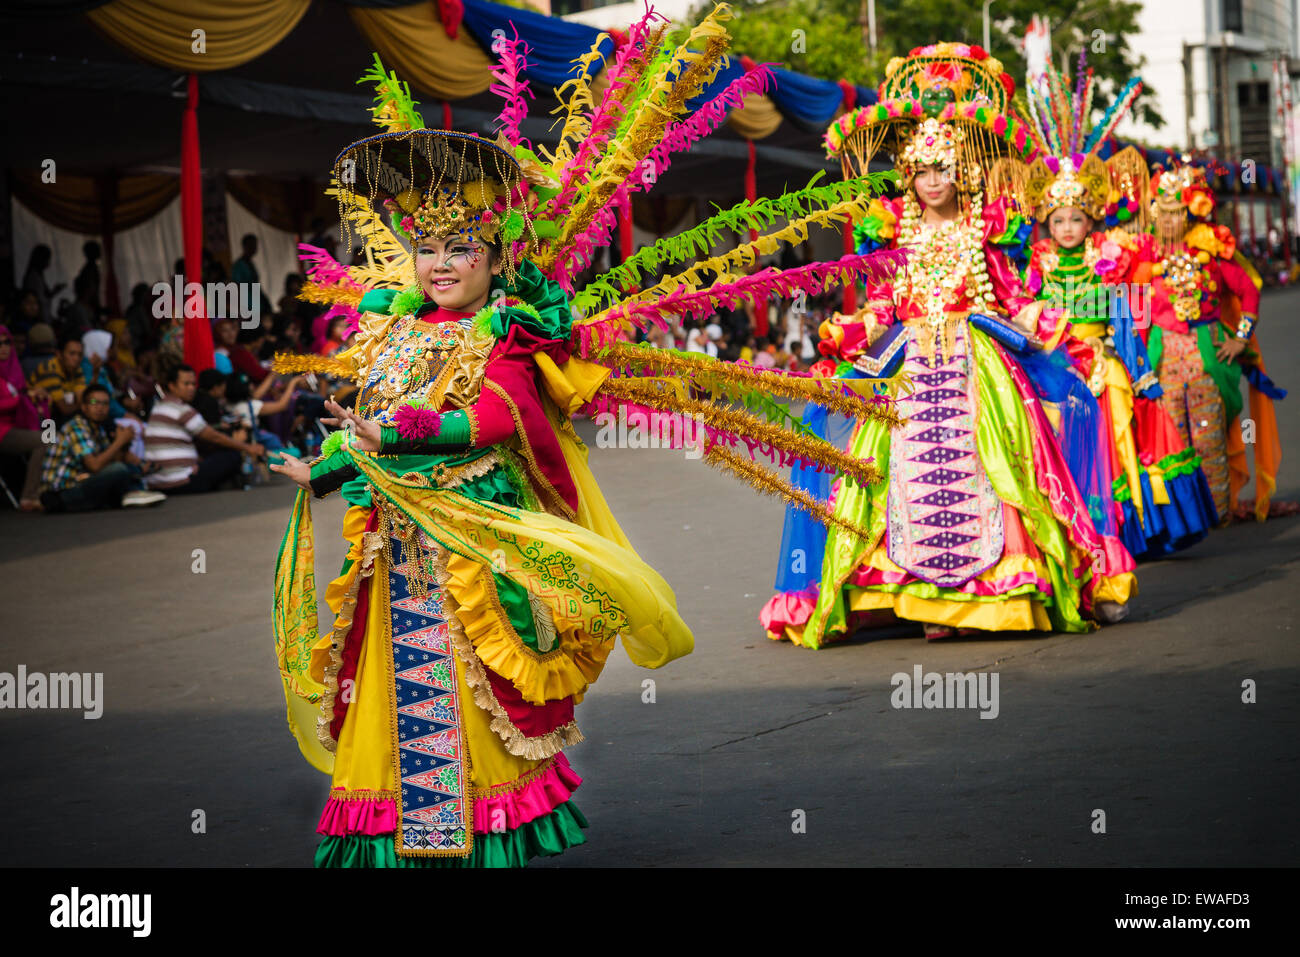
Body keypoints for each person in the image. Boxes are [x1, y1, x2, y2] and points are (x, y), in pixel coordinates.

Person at [270, 27, 890, 867]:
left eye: (461, 249)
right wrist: (324, 468)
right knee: (390, 677)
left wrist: (407, 430)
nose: (441, 262)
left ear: (496, 259)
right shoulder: (392, 333)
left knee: (469, 679)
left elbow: (498, 419)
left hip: (475, 538)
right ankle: (406, 829)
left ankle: (476, 826)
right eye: (428, 248)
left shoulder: (508, 335)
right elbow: (368, 429)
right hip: (394, 543)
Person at [763, 42, 1127, 648]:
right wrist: (862, 326)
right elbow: (886, 300)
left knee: (1000, 470)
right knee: (879, 469)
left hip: (975, 365)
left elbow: (1007, 293)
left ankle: (988, 596)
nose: (933, 181)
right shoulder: (895, 233)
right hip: (908, 366)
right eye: (922, 171)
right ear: (909, 175)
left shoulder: (984, 227)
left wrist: (1035, 313)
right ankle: (911, 597)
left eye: (943, 169)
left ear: (964, 171)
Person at [1017, 62, 1217, 561]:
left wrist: (1138, 367)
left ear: (1090, 219)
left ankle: (1132, 531)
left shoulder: (1109, 255)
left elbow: (1126, 316)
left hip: (1104, 366)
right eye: (1058, 219)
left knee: (1122, 441)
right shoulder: (1037, 262)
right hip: (1058, 368)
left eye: (1075, 219)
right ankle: (1080, 533)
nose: (1066, 228)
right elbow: (1024, 315)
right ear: (1048, 220)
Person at [1130, 159, 1287, 521]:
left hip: (1208, 358)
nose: (1170, 220)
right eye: (1163, 212)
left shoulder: (1210, 251)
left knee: (1209, 436)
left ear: (1190, 213)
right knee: (1172, 440)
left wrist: (1241, 340)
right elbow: (1134, 310)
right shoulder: (1142, 258)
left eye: (1177, 212)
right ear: (1154, 214)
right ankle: (1187, 518)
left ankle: (1218, 511)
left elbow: (1248, 293)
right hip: (1162, 359)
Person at [37, 384, 164, 512]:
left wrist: (124, 445)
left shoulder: (98, 429)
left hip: (80, 484)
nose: (100, 407)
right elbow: (95, 466)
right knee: (119, 470)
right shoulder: (76, 427)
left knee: (126, 468)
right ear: (84, 407)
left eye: (105, 403)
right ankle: (132, 493)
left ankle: (131, 493)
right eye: (94, 402)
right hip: (60, 494)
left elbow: (111, 460)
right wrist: (119, 442)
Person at [144, 362, 264, 493]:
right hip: (179, 480)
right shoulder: (182, 410)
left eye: (193, 384)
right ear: (172, 386)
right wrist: (248, 448)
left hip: (157, 481)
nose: (191, 388)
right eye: (186, 384)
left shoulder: (158, 407)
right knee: (232, 455)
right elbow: (214, 437)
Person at [0, 323, 51, 509]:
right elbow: (15, 399)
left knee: (50, 431)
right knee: (45, 440)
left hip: (19, 425)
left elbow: (21, 393)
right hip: (3, 430)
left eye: (7, 342)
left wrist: (36, 396)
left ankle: (47, 488)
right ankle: (30, 496)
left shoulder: (14, 370)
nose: (4, 347)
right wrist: (21, 400)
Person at [21, 245, 63, 326]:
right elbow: (40, 299)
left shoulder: (37, 276)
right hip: (40, 319)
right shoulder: (34, 277)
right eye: (47, 259)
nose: (48, 262)